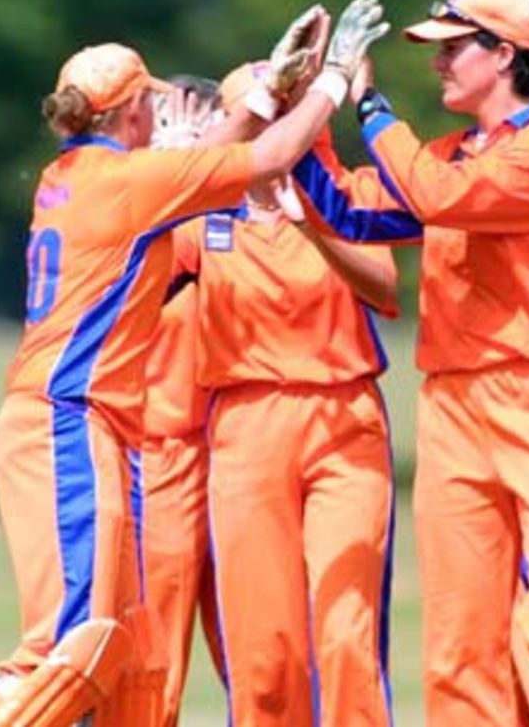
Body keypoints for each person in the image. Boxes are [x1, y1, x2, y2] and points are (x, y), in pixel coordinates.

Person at [0, 0, 389, 727]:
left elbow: (197, 167)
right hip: (67, 422)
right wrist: (335, 78)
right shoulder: (129, 184)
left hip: (70, 424)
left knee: (117, 642)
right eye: (149, 106)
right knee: (70, 647)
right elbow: (267, 158)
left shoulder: (72, 176)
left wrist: (260, 92)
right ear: (131, 112)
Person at [290, 0, 529, 727]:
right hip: (454, 407)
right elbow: (346, 209)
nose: (438, 63)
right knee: (459, 645)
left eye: (452, 47)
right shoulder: (448, 154)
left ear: (505, 55)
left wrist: (369, 106)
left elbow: (443, 198)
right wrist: (306, 109)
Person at [170, 60, 399, 726]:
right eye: (265, 118)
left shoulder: (346, 191)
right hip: (245, 424)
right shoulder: (203, 215)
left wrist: (311, 226)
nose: (282, 133)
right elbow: (134, 250)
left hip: (344, 417)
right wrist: (180, 164)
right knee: (262, 646)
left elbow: (384, 289)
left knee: (346, 630)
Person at [138, 78, 226, 727]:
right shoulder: (134, 208)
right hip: (161, 455)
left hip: (243, 454)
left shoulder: (249, 213)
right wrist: (172, 178)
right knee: (153, 663)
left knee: (264, 655)